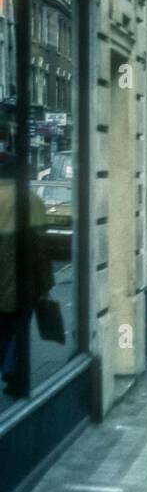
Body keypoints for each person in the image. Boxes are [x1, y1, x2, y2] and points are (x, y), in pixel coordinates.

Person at [0, 151, 54, 399]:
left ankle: (9, 367)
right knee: (19, 329)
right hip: (24, 283)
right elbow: (41, 247)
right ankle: (14, 372)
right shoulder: (31, 201)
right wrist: (46, 283)